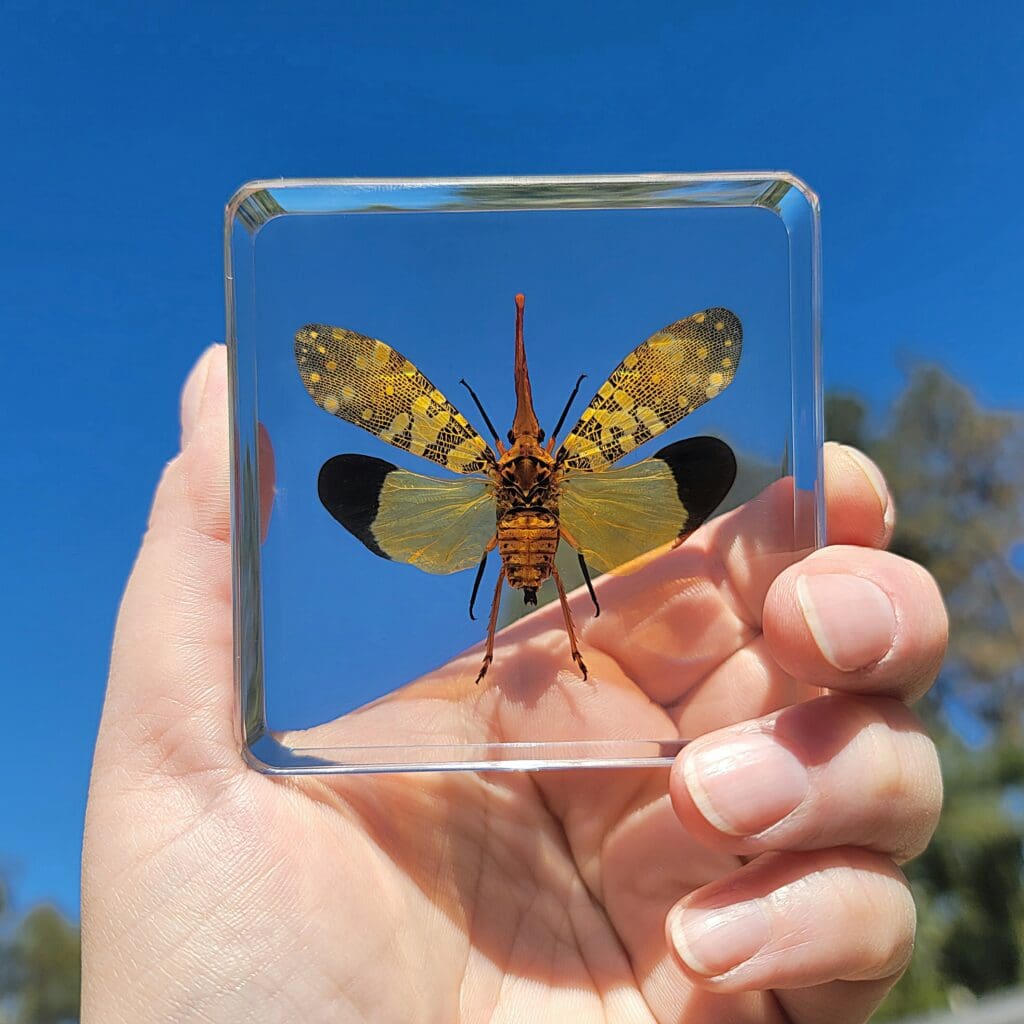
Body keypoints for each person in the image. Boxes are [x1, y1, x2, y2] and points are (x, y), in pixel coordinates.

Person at [82, 345, 947, 1023]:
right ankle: (519, 646)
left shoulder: (511, 487)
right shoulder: (534, 487)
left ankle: (521, 645)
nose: (525, 462)